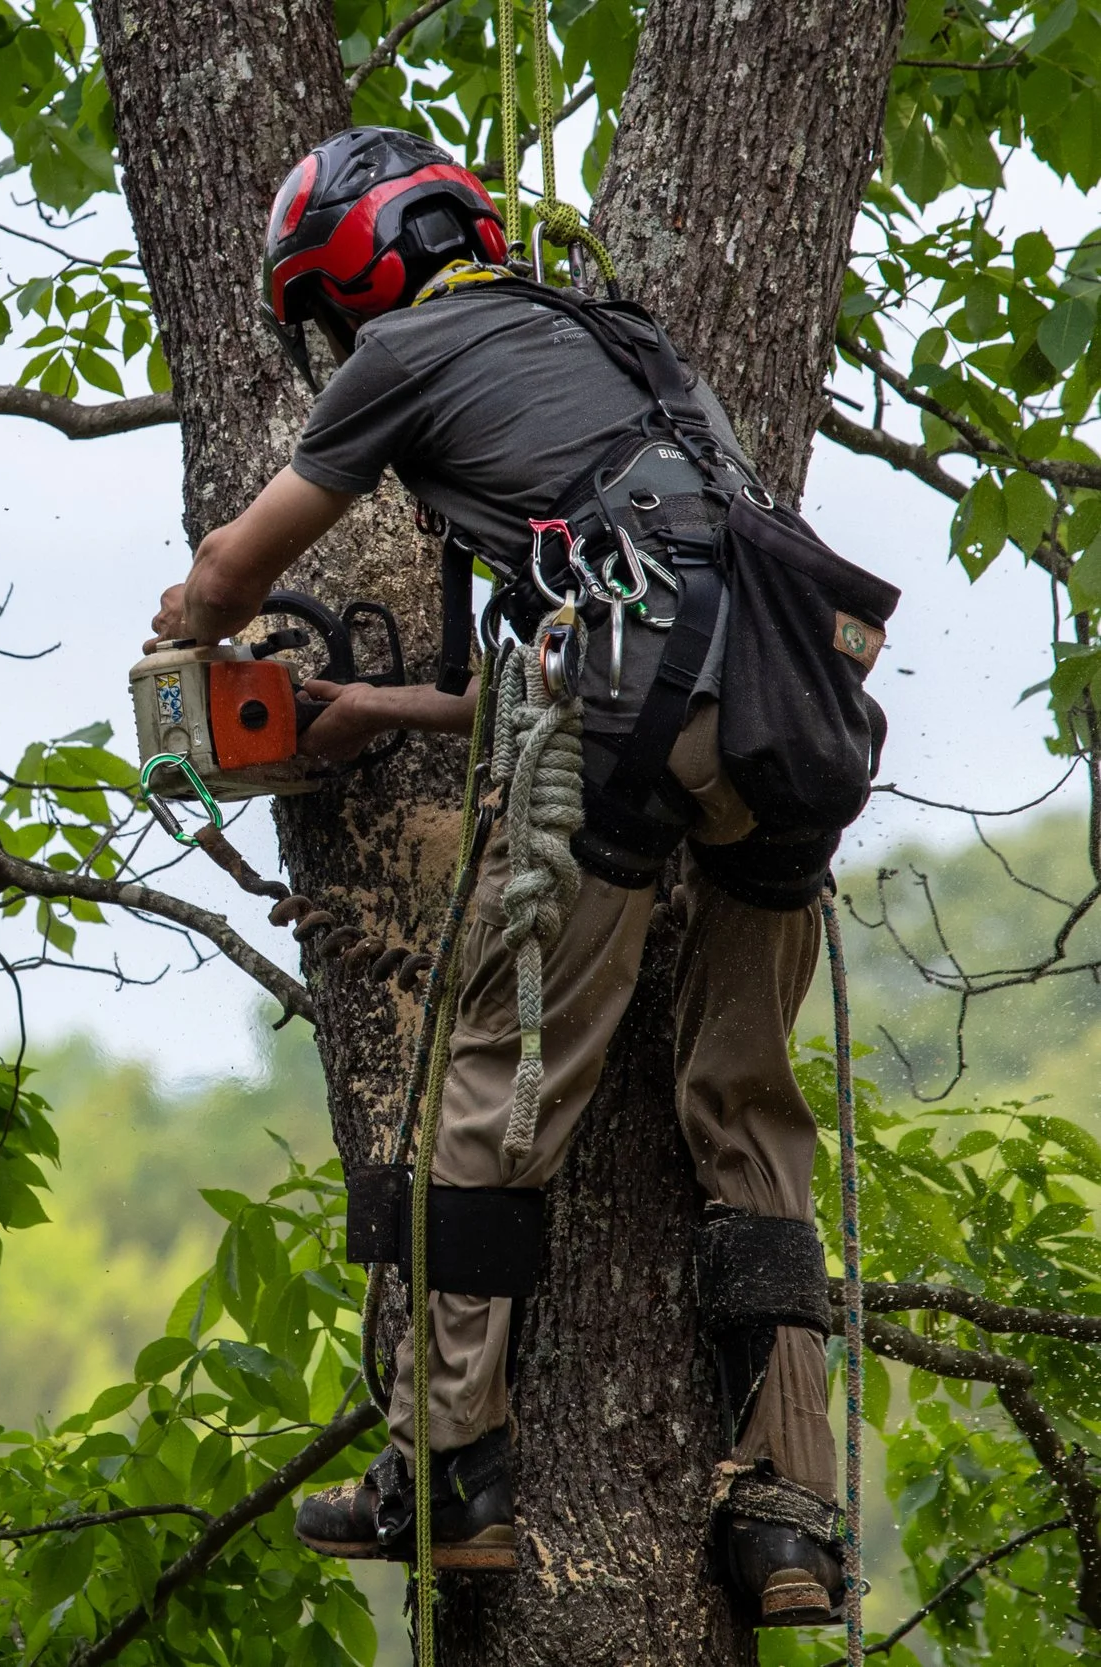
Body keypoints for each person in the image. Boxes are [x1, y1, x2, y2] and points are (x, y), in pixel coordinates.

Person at [145, 126, 851, 1627]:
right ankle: (791, 1519)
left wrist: (188, 627)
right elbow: (568, 652)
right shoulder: (625, 350)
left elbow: (233, 573)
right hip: (797, 712)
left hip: (636, 711)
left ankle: (447, 1469)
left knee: (490, 1080)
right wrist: (372, 711)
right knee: (747, 1108)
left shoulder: (407, 351)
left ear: (352, 275)